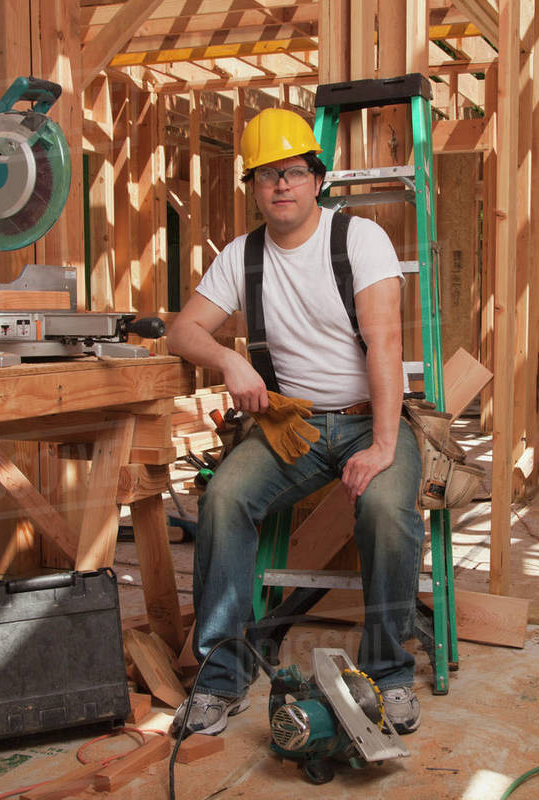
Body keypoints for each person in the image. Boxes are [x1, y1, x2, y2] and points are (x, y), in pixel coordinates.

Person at [165, 107, 425, 738]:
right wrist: (228, 357)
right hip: (294, 428)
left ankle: (388, 676)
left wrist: (385, 446)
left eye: (292, 172)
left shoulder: (359, 240)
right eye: (265, 176)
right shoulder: (241, 256)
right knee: (224, 496)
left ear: (316, 178)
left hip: (372, 421)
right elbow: (180, 330)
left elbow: (384, 344)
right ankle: (221, 681)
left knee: (387, 511)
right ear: (254, 189)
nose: (279, 185)